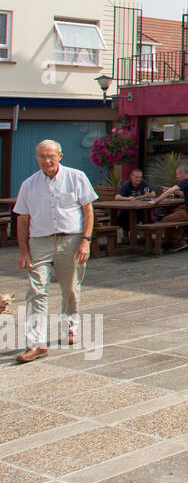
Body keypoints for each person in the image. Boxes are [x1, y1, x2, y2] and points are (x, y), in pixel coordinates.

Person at [13, 139, 96, 362]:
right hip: (39, 242)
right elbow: (22, 219)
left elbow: (88, 211)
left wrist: (85, 241)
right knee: (36, 291)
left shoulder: (76, 177)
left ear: (60, 156)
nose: (47, 161)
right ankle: (36, 343)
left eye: (51, 156)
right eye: (42, 156)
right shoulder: (28, 185)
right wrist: (23, 251)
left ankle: (71, 326)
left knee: (70, 288)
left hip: (71, 240)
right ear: (36, 158)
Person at [154, 163, 188, 252]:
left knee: (166, 219)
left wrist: (155, 201)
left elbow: (169, 192)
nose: (177, 177)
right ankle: (170, 241)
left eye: (177, 174)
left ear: (182, 173)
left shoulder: (186, 181)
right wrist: (172, 191)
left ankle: (178, 242)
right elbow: (185, 194)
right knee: (177, 214)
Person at [114, 168, 155, 234]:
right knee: (125, 217)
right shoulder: (127, 184)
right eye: (136, 177)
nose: (139, 179)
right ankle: (132, 234)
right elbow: (116, 197)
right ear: (131, 176)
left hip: (139, 208)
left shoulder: (143, 182)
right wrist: (127, 198)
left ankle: (145, 233)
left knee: (146, 213)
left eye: (140, 177)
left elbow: (153, 193)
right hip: (127, 209)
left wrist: (141, 197)